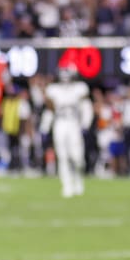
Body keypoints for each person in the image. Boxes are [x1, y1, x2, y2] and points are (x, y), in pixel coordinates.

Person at [43, 64, 93, 197]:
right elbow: (50, 109)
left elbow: (86, 107)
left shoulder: (80, 88)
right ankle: (67, 185)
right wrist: (45, 126)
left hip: (74, 124)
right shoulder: (53, 90)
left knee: (77, 157)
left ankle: (78, 179)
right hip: (60, 123)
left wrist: (85, 124)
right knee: (62, 156)